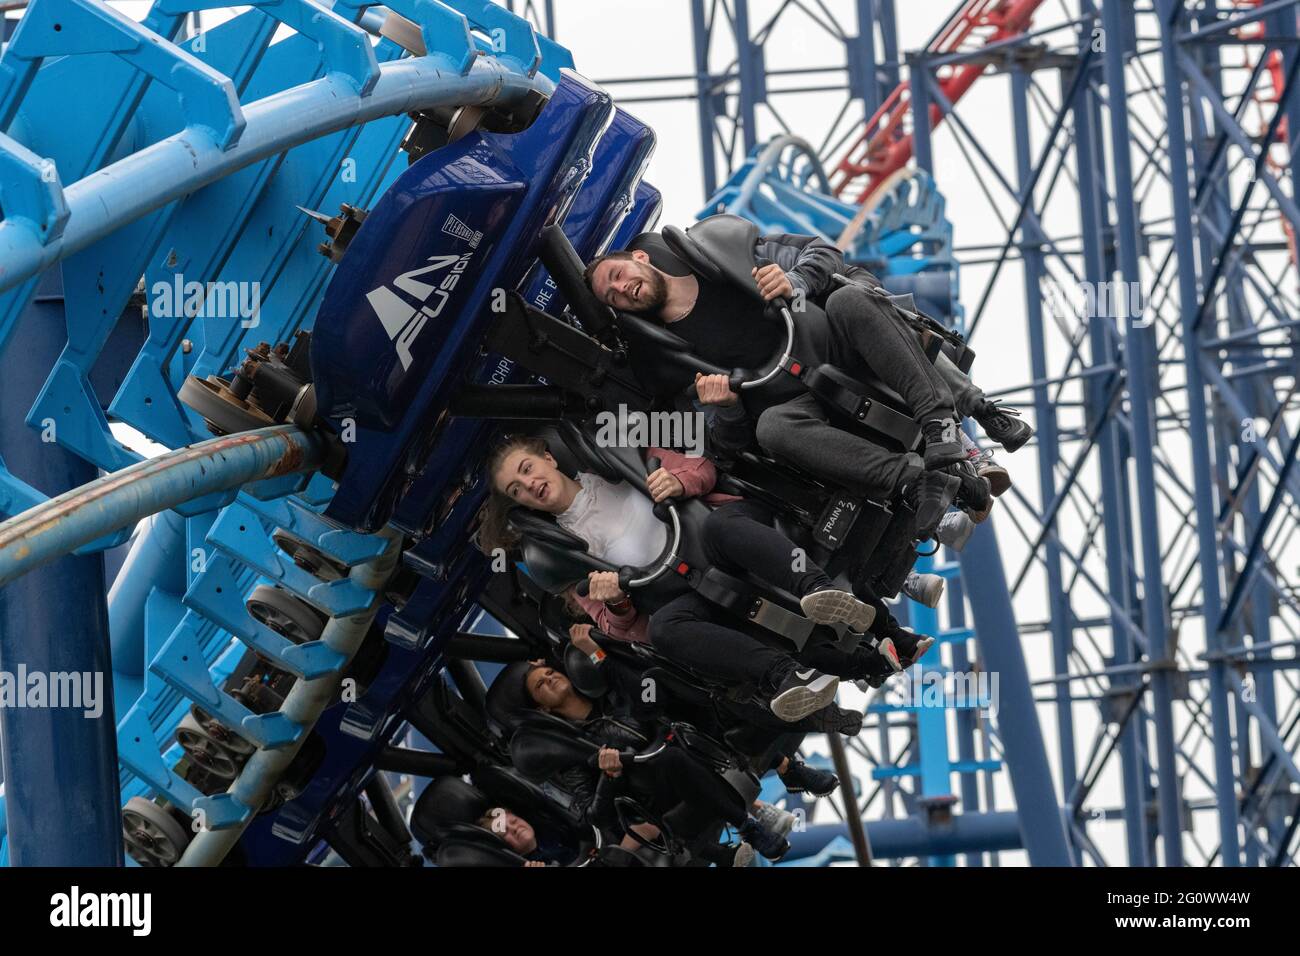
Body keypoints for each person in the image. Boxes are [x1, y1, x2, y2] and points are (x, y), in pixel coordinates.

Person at [583, 227, 1030, 536]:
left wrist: (794, 280)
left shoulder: (720, 248)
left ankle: (952, 423)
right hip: (792, 398)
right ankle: (918, 483)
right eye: (613, 297)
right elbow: (726, 446)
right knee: (772, 429)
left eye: (618, 276)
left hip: (832, 338)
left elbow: (823, 252)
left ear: (639, 257)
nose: (622, 289)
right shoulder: (663, 358)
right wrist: (726, 409)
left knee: (852, 299)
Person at [480, 435, 926, 722]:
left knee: (720, 527)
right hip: (681, 588)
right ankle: (786, 676)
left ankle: (817, 590)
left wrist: (677, 483)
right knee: (666, 630)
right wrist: (615, 602)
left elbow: (700, 466)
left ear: (547, 456)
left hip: (713, 533)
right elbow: (622, 629)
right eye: (516, 491)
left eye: (527, 469)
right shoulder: (563, 554)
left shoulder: (611, 459)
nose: (529, 484)